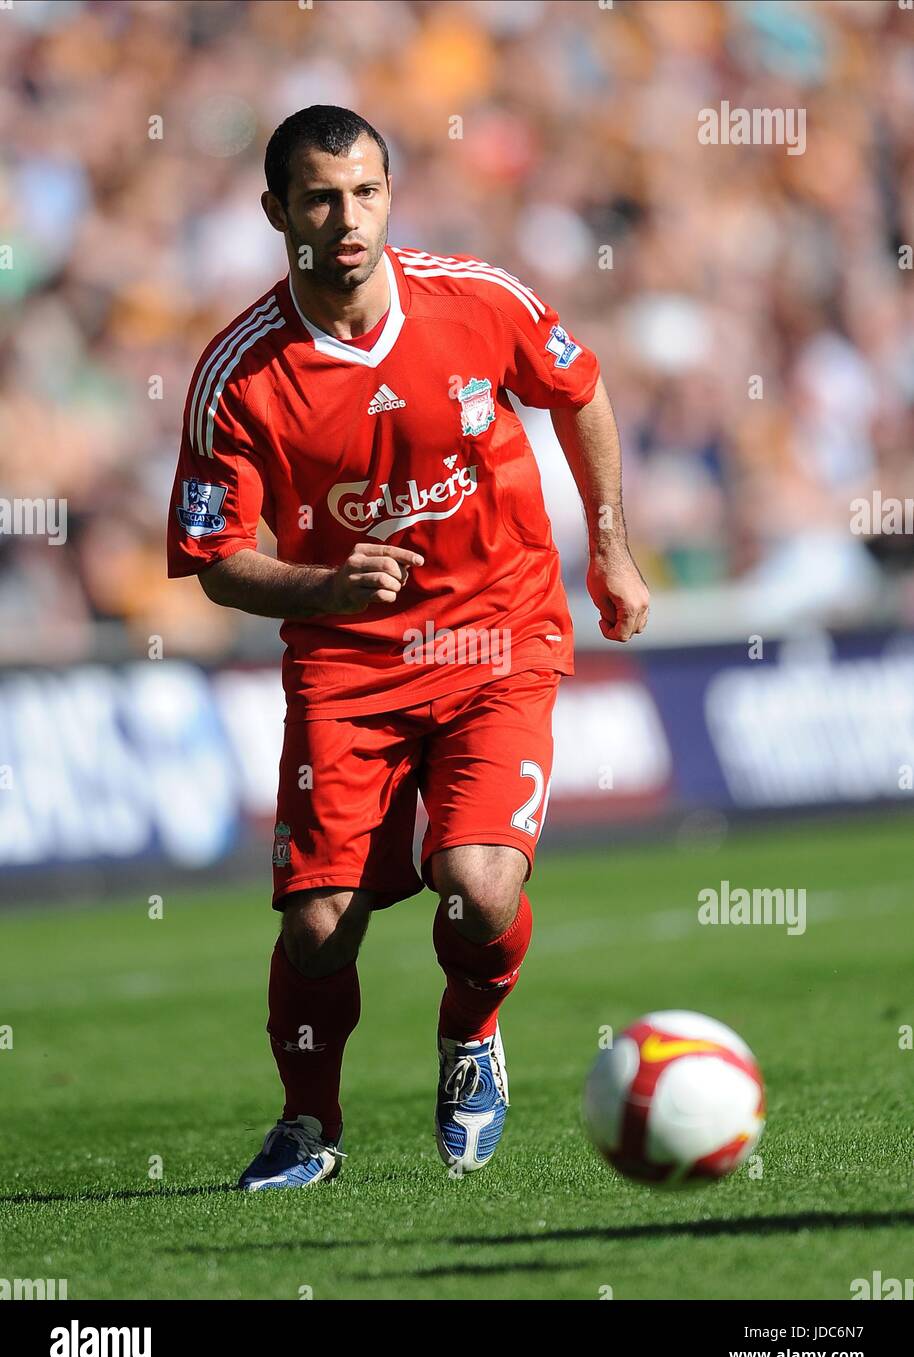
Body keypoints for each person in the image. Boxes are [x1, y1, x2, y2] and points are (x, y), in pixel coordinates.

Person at [166, 105, 649, 1190]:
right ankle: (307, 1127)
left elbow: (580, 391)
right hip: (349, 663)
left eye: (367, 192)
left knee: (476, 887)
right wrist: (326, 586)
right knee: (320, 927)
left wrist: (610, 549)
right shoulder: (239, 374)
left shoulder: (477, 300)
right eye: (321, 198)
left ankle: (469, 1033)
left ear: (392, 195)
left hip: (498, 634)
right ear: (275, 212)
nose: (348, 219)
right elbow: (212, 558)